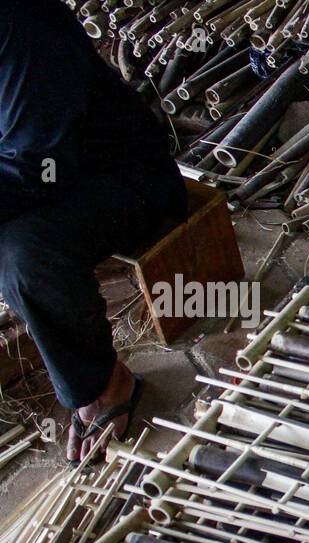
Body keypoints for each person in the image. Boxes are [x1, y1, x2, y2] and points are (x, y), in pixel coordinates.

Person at [0, 1, 187, 462]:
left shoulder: (19, 21)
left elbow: (39, 164)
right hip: (34, 174)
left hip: (115, 176)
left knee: (21, 258)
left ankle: (102, 384)